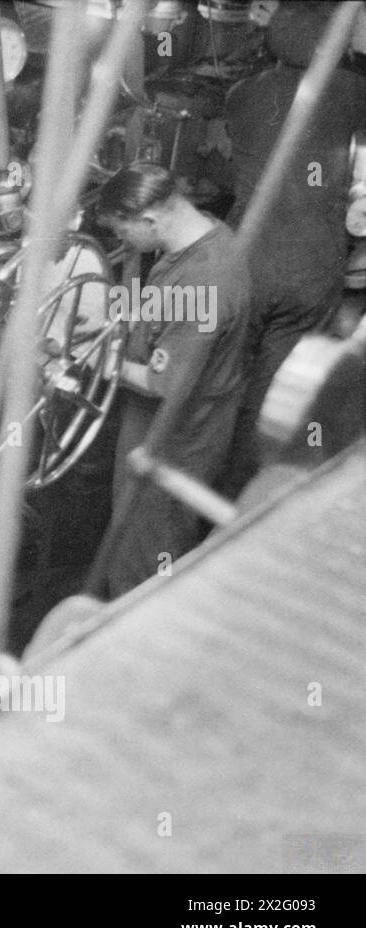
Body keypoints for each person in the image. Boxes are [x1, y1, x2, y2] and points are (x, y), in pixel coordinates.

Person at [221, 1, 366, 495]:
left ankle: (196, 494)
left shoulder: (241, 95)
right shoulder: (351, 92)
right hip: (311, 266)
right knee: (272, 397)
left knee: (220, 383)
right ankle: (239, 501)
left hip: (245, 259)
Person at [94, 164, 252, 598]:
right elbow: (162, 304)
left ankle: (132, 643)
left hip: (177, 435)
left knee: (143, 553)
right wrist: (120, 313)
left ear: (149, 220)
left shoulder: (207, 278)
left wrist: (93, 360)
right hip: (173, 421)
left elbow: (165, 383)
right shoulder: (200, 236)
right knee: (136, 535)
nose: (123, 244)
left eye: (124, 233)